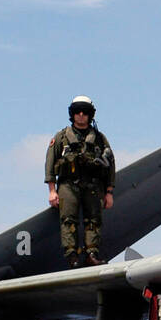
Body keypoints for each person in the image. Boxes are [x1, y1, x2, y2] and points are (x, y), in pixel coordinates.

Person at [44, 95, 115, 268]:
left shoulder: (99, 138)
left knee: (93, 220)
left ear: (90, 114)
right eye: (77, 112)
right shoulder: (61, 137)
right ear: (73, 114)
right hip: (68, 185)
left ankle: (91, 255)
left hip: (93, 185)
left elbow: (110, 165)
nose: (81, 115)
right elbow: (50, 163)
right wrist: (52, 191)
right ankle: (72, 257)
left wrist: (109, 192)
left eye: (85, 112)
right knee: (68, 220)